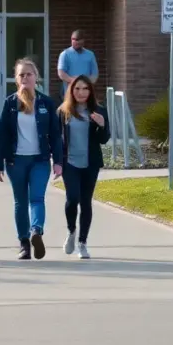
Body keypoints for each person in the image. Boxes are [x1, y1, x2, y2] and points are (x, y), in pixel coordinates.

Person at [0, 58, 63, 260]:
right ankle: (24, 244)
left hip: (40, 160)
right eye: (21, 74)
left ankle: (36, 232)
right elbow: (2, 135)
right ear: (16, 79)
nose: (25, 77)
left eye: (28, 74)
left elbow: (55, 134)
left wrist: (58, 161)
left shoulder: (46, 103)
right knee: (20, 202)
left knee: (37, 198)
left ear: (36, 78)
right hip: (16, 161)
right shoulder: (10, 104)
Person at [58, 74, 110, 259]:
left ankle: (82, 242)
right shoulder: (63, 111)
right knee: (72, 198)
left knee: (86, 202)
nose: (81, 92)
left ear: (90, 91)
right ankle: (71, 231)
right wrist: (56, 161)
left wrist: (102, 126)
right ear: (71, 91)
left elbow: (104, 139)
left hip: (90, 163)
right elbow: (56, 139)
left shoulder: (99, 111)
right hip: (69, 162)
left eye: (85, 89)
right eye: (77, 89)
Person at [56, 30, 99, 100]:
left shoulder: (90, 55)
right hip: (70, 92)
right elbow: (61, 73)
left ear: (83, 41)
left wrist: (85, 84)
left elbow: (94, 74)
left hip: (86, 93)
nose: (75, 42)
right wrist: (75, 81)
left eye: (78, 41)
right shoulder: (65, 54)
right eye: (73, 40)